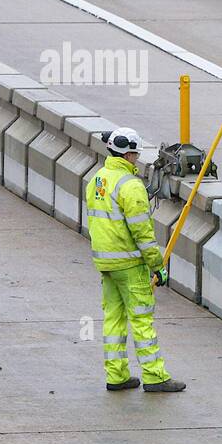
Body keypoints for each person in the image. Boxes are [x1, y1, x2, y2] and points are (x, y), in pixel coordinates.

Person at [86, 128, 185, 393]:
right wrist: (157, 266)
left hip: (106, 263)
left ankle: (116, 375)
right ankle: (155, 376)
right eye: (136, 154)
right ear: (129, 153)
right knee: (142, 320)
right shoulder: (130, 185)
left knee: (113, 320)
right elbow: (143, 233)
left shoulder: (98, 179)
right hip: (130, 265)